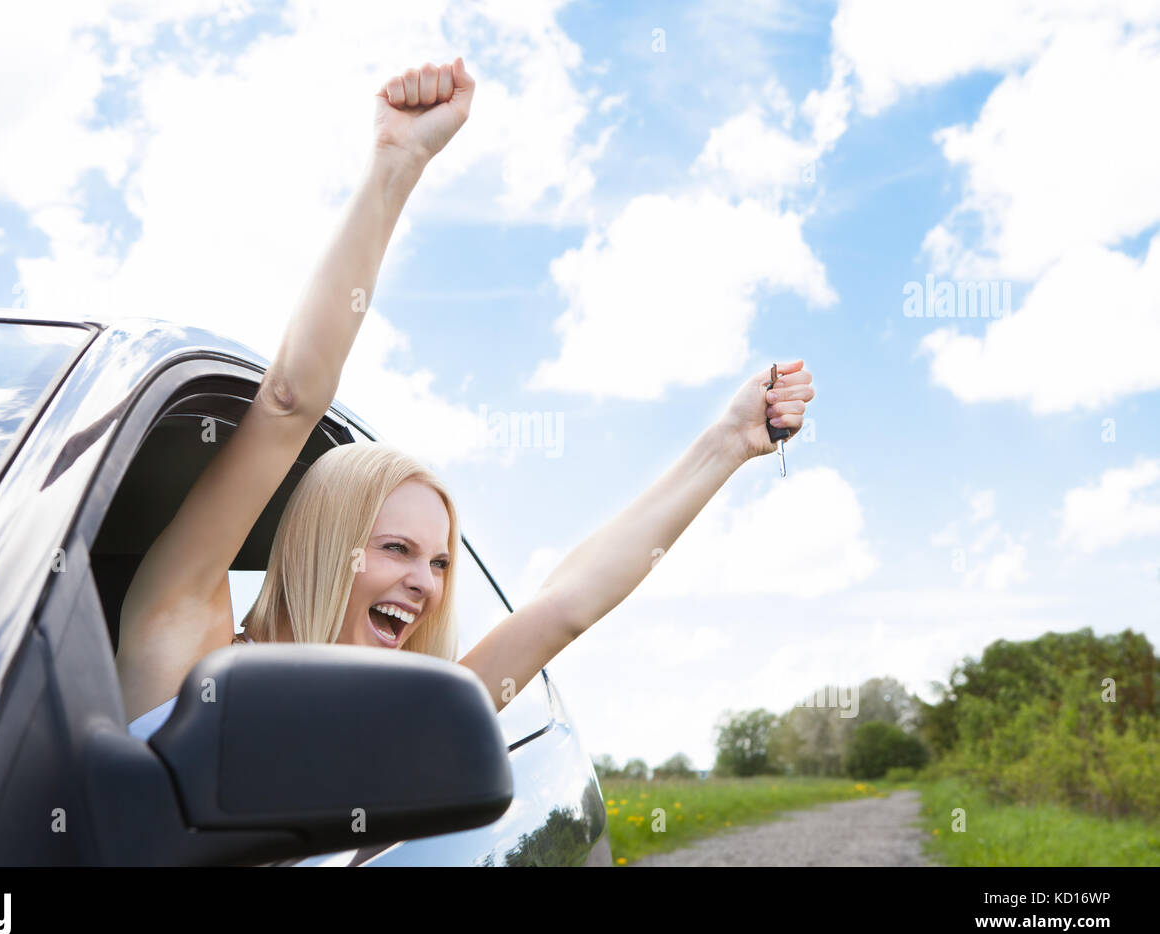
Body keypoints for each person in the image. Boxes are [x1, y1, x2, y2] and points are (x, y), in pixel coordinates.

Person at [116, 56, 815, 739]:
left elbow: (563, 607)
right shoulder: (185, 643)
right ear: (324, 545)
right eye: (396, 548)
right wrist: (395, 164)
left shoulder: (411, 720)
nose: (426, 583)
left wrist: (728, 443)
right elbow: (289, 402)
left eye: (440, 562)